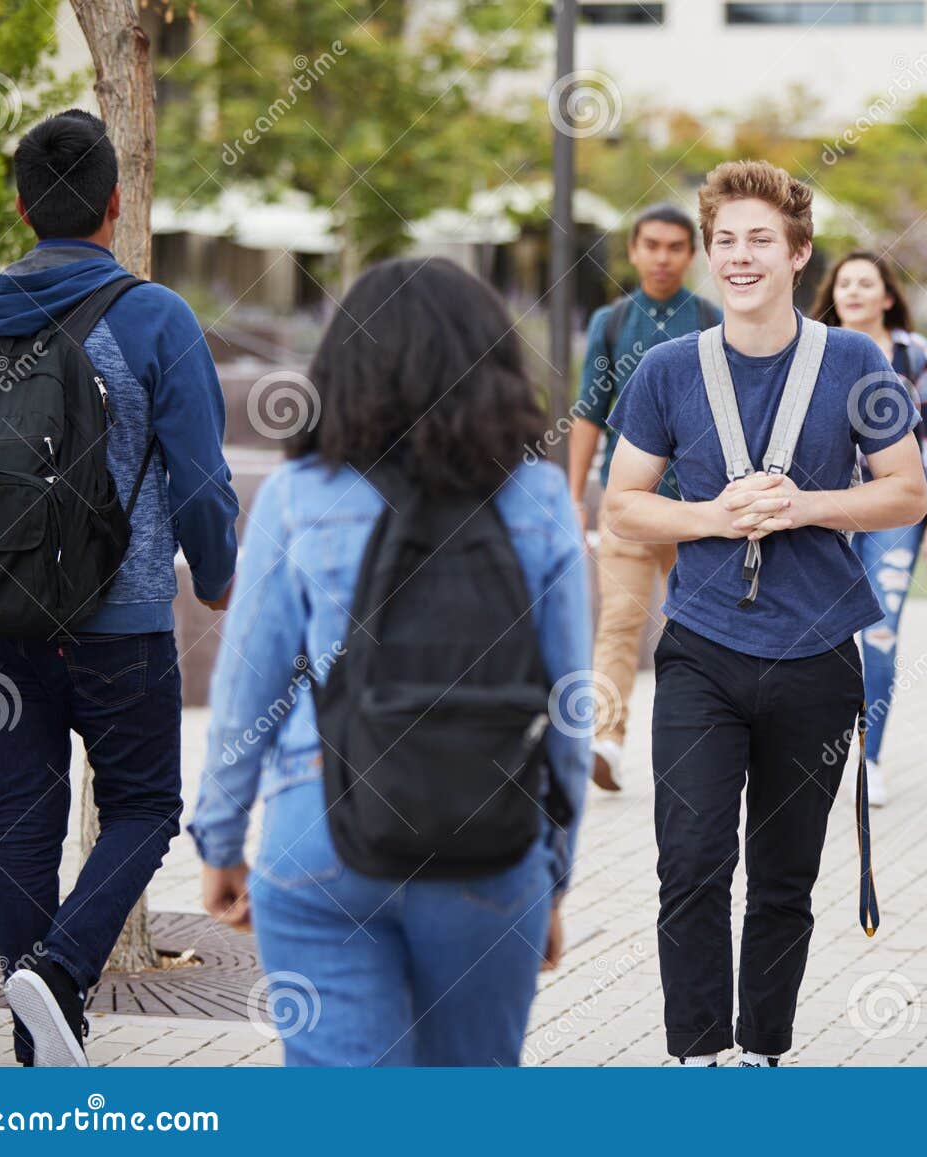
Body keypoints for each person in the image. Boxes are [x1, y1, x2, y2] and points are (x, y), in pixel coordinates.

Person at [188, 257, 590, 1067]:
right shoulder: (540, 498)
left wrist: (222, 842)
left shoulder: (302, 493)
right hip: (487, 840)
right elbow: (571, 714)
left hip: (320, 833)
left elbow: (245, 693)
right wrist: (551, 873)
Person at [604, 160, 927, 1067]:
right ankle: (696, 1058)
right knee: (691, 862)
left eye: (760, 241)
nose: (739, 257)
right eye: (726, 241)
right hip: (703, 649)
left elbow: (906, 492)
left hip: (818, 651)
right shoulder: (668, 369)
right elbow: (622, 505)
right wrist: (712, 516)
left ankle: (762, 1055)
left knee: (785, 877)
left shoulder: (856, 361)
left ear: (799, 252)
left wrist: (807, 503)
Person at [0, 109, 239, 1067]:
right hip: (121, 619)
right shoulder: (156, 317)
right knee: (146, 806)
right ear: (115, 205)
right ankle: (64, 970)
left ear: (22, 206)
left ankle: (39, 1052)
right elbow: (199, 479)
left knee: (22, 816)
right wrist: (220, 575)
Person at [568, 204, 720, 793]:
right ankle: (606, 740)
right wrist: (575, 494)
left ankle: (706, 745)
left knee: (701, 630)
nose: (662, 257)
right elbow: (588, 412)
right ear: (633, 251)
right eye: (651, 245)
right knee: (619, 623)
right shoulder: (611, 322)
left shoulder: (711, 318)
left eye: (676, 246)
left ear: (691, 254)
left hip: (701, 509)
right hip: (628, 502)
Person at [811, 252, 927, 806]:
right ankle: (819, 749)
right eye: (843, 282)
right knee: (820, 630)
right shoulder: (813, 350)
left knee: (880, 631)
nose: (852, 291)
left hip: (896, 515)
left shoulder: (916, 355)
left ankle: (868, 758)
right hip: (824, 505)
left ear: (887, 296)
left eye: (865, 283)